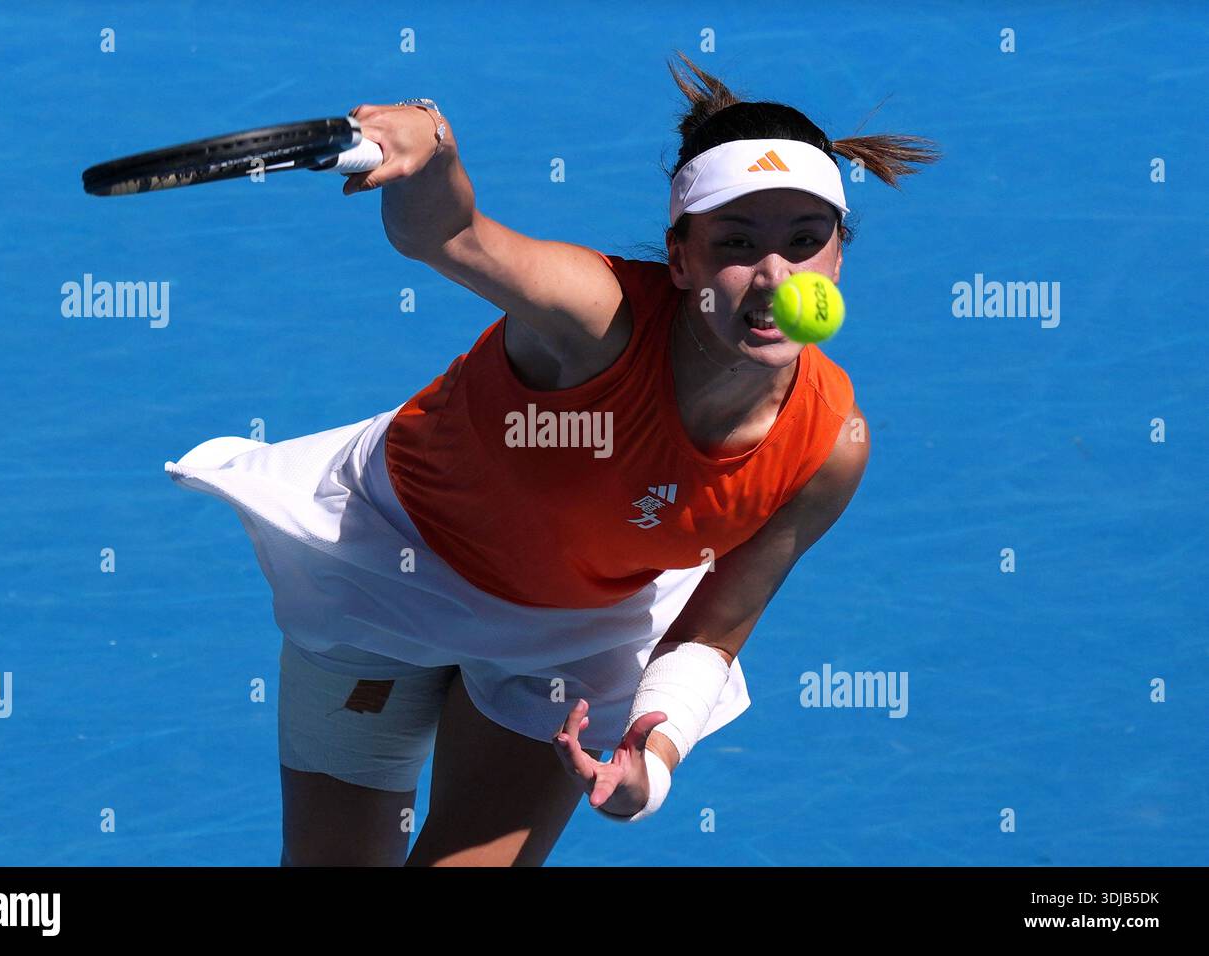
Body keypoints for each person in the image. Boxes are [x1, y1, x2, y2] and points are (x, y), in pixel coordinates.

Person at [164, 51, 939, 866]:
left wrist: (653, 763)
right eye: (737, 243)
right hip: (390, 566)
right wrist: (431, 147)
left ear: (838, 259)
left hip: (572, 634)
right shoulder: (595, 318)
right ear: (680, 260)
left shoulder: (829, 447)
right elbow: (451, 234)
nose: (776, 276)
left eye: (806, 242)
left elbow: (712, 634)